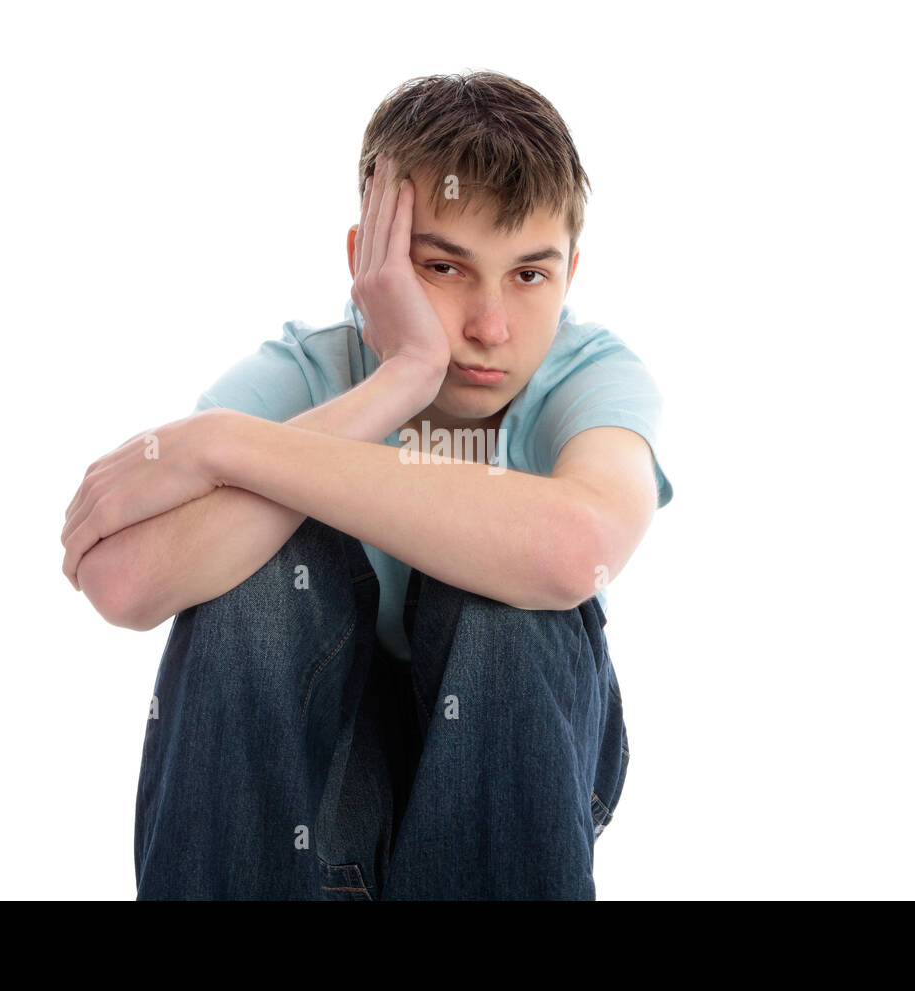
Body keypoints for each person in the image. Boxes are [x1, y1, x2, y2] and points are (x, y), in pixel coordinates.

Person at [60, 70, 673, 900]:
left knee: (498, 596)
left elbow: (578, 549)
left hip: (514, 791)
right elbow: (124, 582)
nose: (490, 326)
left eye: (530, 275)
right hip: (313, 782)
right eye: (445, 267)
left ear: (570, 271)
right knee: (260, 580)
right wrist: (401, 378)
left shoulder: (591, 374)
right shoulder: (311, 370)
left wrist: (227, 448)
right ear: (368, 261)